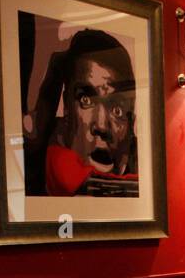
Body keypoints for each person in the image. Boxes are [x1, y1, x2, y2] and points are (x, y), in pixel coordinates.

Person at [26, 29, 139, 197]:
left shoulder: (146, 168)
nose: (101, 125)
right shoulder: (45, 163)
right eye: (86, 100)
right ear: (66, 108)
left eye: (117, 110)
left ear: (131, 124)